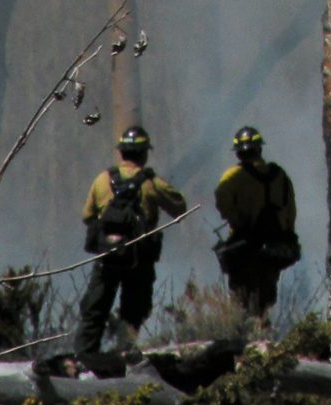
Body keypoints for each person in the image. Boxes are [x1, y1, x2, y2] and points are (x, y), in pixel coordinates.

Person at [71, 124, 187, 365]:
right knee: (134, 310)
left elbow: (87, 216)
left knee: (95, 307)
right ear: (144, 154)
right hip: (139, 259)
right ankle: (124, 353)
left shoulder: (102, 180)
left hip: (107, 257)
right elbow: (180, 207)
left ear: (122, 153)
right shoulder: (151, 183)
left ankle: (83, 356)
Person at [214, 124, 299, 326]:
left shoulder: (232, 177)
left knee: (240, 303)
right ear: (259, 148)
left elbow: (222, 203)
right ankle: (263, 338)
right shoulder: (280, 175)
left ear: (238, 153)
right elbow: (290, 212)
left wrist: (239, 220)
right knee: (266, 300)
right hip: (273, 249)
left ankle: (245, 346)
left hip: (243, 249)